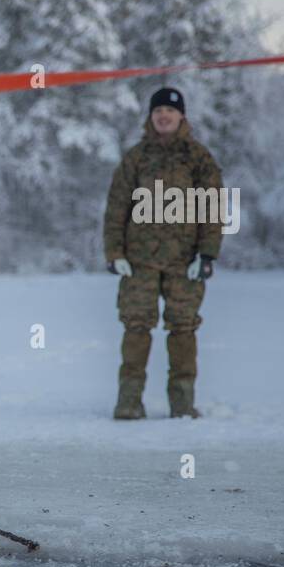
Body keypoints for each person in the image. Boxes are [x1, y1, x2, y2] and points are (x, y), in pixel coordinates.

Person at [103, 87, 225, 420]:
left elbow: (213, 209)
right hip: (138, 262)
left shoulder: (198, 158)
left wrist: (207, 255)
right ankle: (129, 403)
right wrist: (115, 253)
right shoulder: (136, 157)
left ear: (181, 116)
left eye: (170, 111)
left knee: (183, 330)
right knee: (136, 329)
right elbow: (116, 208)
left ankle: (182, 405)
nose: (163, 116)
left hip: (183, 262)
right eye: (158, 111)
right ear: (151, 117)